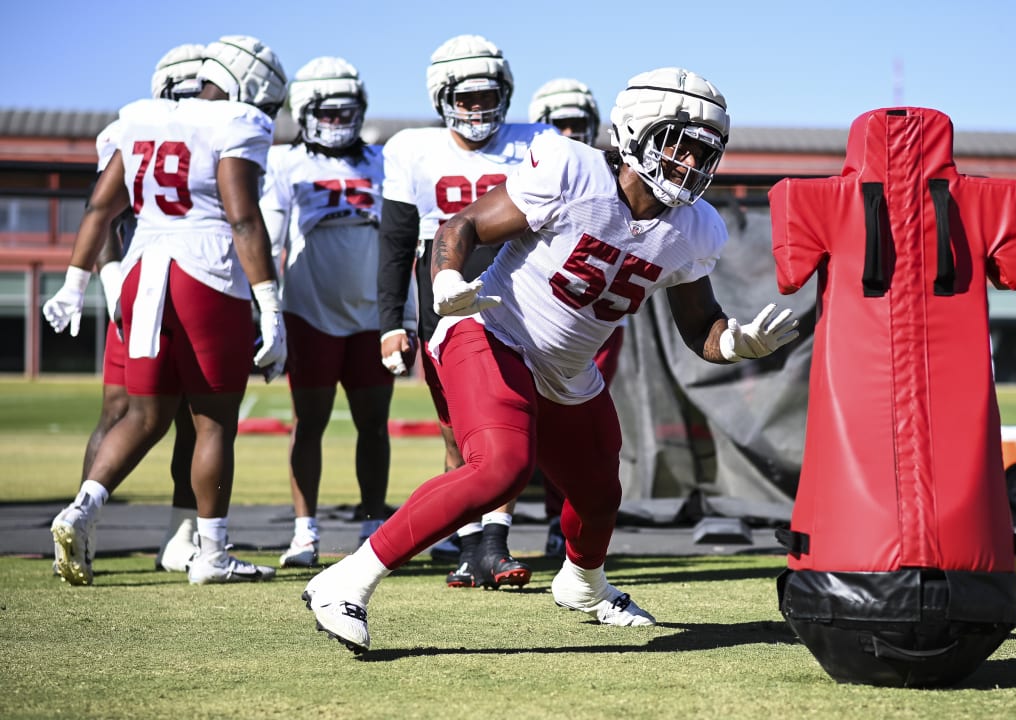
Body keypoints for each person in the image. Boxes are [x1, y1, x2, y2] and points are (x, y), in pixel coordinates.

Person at [302, 66, 799, 653]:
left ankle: (584, 582)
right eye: (678, 144)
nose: (689, 164)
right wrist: (445, 279)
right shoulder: (573, 169)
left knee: (598, 495)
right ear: (635, 132)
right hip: (492, 327)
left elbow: (700, 326)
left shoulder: (696, 227)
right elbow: (461, 224)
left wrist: (736, 343)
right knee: (501, 465)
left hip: (567, 368)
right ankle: (346, 580)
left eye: (701, 151)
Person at [42, 35, 288, 586]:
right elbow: (243, 218)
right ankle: (213, 555)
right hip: (205, 274)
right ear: (251, 86)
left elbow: (101, 206)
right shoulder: (237, 122)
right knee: (214, 422)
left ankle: (81, 509)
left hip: (141, 272)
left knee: (142, 414)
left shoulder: (141, 117)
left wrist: (74, 283)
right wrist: (271, 309)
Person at [376, 34, 556, 589]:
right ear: (442, 97)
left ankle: (495, 544)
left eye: (488, 95)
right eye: (466, 97)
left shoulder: (538, 141)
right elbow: (397, 242)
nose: (478, 107)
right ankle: (471, 546)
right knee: (456, 433)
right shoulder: (412, 149)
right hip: (444, 310)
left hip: (515, 304)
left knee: (505, 425)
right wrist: (391, 323)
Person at [65, 43, 208, 577]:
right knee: (195, 417)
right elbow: (100, 209)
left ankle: (89, 526)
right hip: (174, 286)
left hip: (140, 286)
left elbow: (96, 210)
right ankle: (180, 534)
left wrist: (108, 283)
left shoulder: (134, 127)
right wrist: (108, 279)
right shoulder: (145, 131)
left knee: (124, 414)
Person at [264, 57, 408, 567]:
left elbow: (401, 243)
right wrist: (269, 315)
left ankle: (374, 524)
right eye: (326, 111)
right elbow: (268, 239)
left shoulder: (384, 160)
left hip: (373, 315)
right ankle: (305, 531)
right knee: (310, 422)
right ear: (303, 112)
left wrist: (404, 316)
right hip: (311, 310)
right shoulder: (284, 163)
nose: (337, 120)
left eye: (346, 110)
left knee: (375, 422)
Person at [528, 77, 613, 557]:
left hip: (588, 322)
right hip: (530, 320)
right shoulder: (534, 169)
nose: (569, 132)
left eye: (577, 124)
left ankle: (564, 530)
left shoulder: (607, 178)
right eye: (559, 124)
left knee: (580, 433)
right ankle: (484, 535)